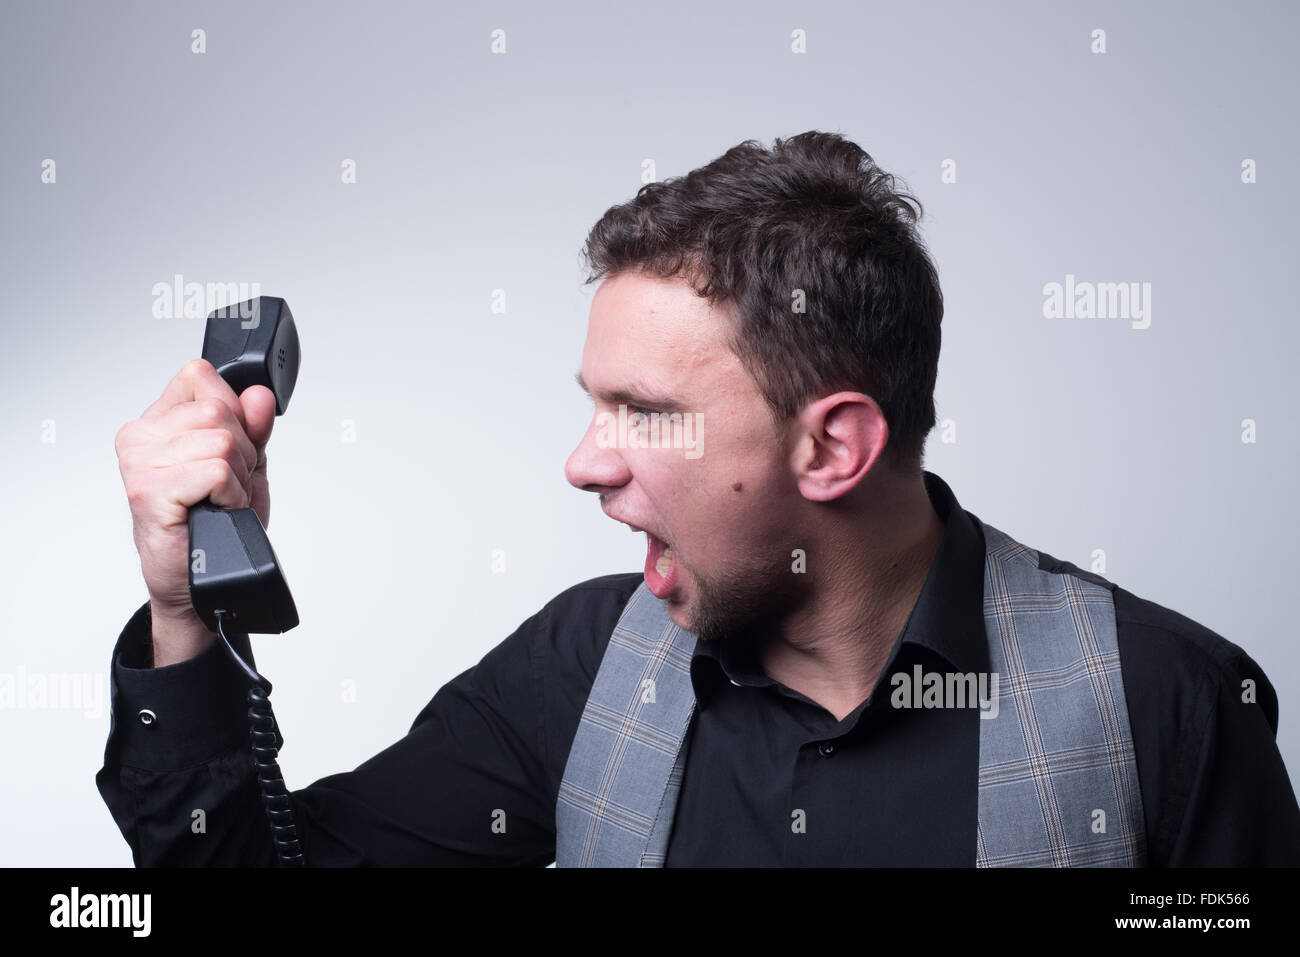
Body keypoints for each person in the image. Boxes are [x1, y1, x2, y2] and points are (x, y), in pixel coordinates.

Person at [98, 132, 1300, 866]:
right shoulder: (578, 665)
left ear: (832, 448)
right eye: (593, 403)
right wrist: (186, 612)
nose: (584, 461)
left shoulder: (1170, 708)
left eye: (643, 412)